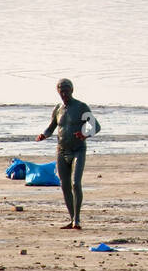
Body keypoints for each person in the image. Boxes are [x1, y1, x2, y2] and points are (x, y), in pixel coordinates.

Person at [36, 79, 101, 229]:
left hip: (78, 149)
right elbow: (51, 127)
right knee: (64, 185)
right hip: (61, 150)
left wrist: (85, 134)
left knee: (75, 184)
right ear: (58, 92)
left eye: (66, 90)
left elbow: (96, 126)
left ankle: (77, 219)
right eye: (61, 91)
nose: (64, 93)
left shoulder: (81, 107)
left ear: (72, 90)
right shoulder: (58, 109)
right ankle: (72, 219)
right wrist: (44, 135)